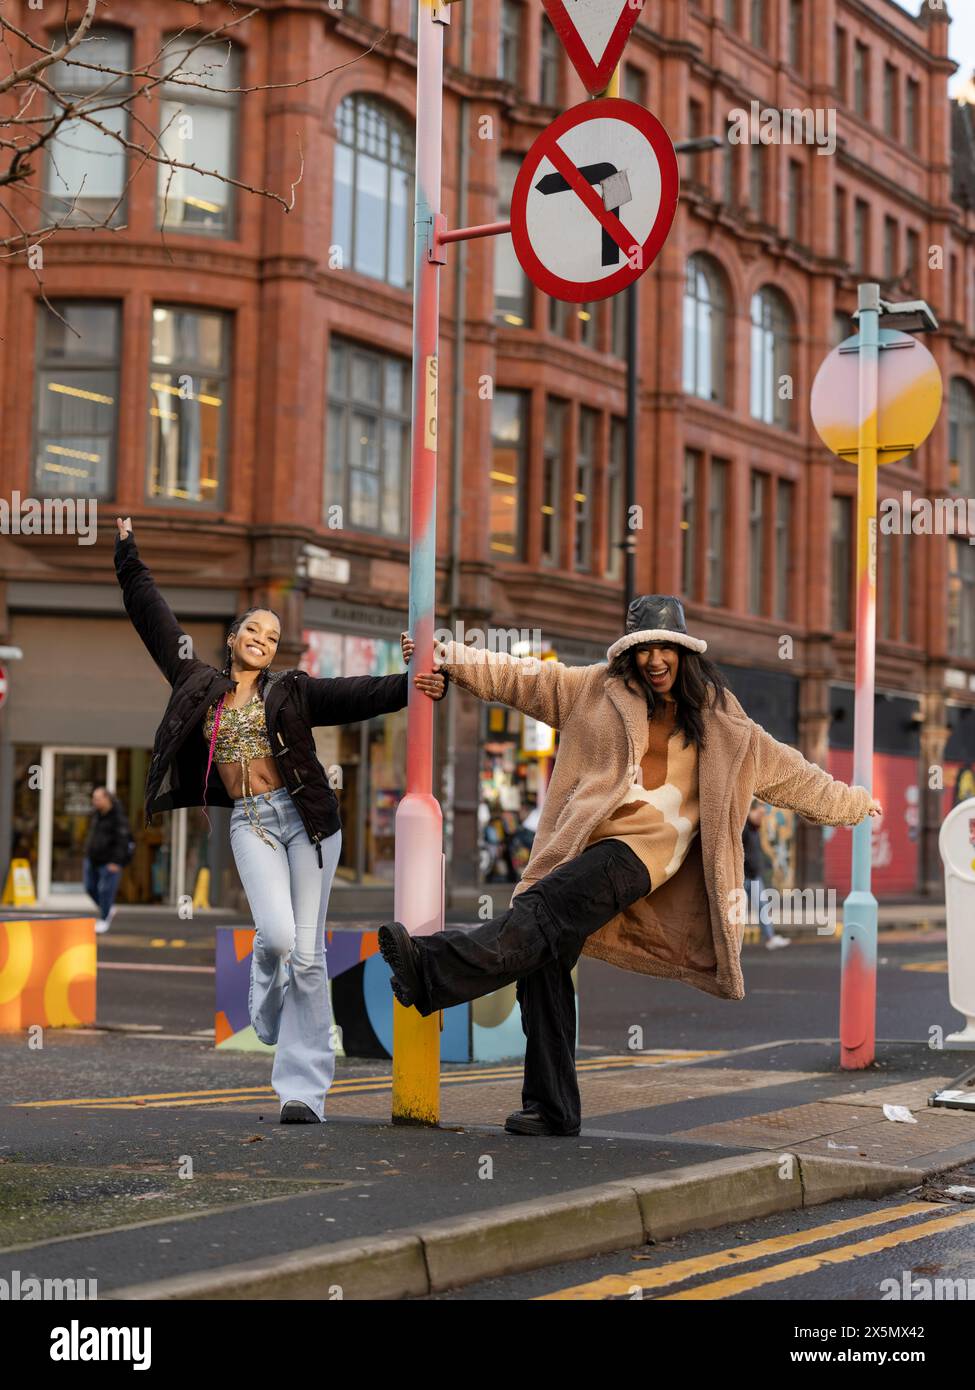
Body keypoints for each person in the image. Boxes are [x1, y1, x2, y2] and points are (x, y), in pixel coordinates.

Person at [382, 595, 882, 1138]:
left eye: (667, 647)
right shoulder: (593, 690)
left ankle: (431, 968)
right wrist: (446, 656)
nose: (656, 659)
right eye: (644, 649)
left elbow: (797, 776)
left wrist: (855, 803)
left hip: (641, 857)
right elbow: (519, 676)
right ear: (630, 654)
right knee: (542, 963)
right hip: (575, 848)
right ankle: (552, 1108)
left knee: (543, 912)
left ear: (686, 653)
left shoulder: (727, 728)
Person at [113, 517, 446, 1123]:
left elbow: (358, 694)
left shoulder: (291, 690)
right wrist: (127, 553)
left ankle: (303, 1091)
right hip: (251, 823)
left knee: (310, 954)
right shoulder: (196, 683)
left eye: (273, 635)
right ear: (233, 636)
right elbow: (152, 618)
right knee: (278, 937)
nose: (265, 639)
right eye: (255, 630)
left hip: (310, 821)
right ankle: (260, 1005)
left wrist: (412, 682)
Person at [743, 799, 790, 950]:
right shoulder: (743, 829)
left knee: (763, 907)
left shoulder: (755, 830)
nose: (760, 817)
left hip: (754, 876)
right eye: (759, 813)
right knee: (736, 913)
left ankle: (770, 938)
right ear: (750, 811)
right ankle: (730, 946)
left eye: (763, 814)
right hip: (742, 878)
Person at [83, 786, 131, 935]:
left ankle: (104, 919)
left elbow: (123, 841)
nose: (94, 801)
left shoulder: (118, 818)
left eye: (97, 798)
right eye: (93, 798)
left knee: (105, 891)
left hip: (109, 862)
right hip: (93, 858)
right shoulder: (96, 815)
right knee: (90, 888)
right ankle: (108, 908)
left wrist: (116, 862)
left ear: (107, 799)